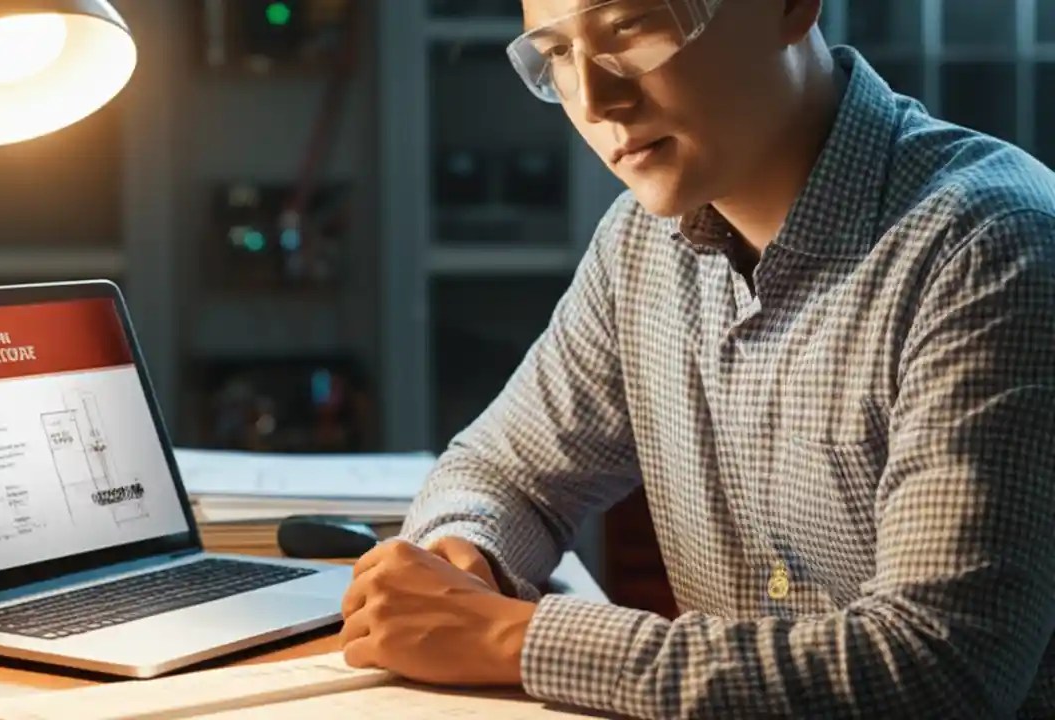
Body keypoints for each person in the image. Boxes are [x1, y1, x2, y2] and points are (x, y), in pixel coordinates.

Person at [340, 0, 1055, 717]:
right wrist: (467, 558)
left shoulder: (993, 247)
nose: (595, 100)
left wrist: (517, 639)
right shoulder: (640, 247)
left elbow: (941, 667)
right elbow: (504, 473)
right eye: (557, 55)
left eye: (631, 28)